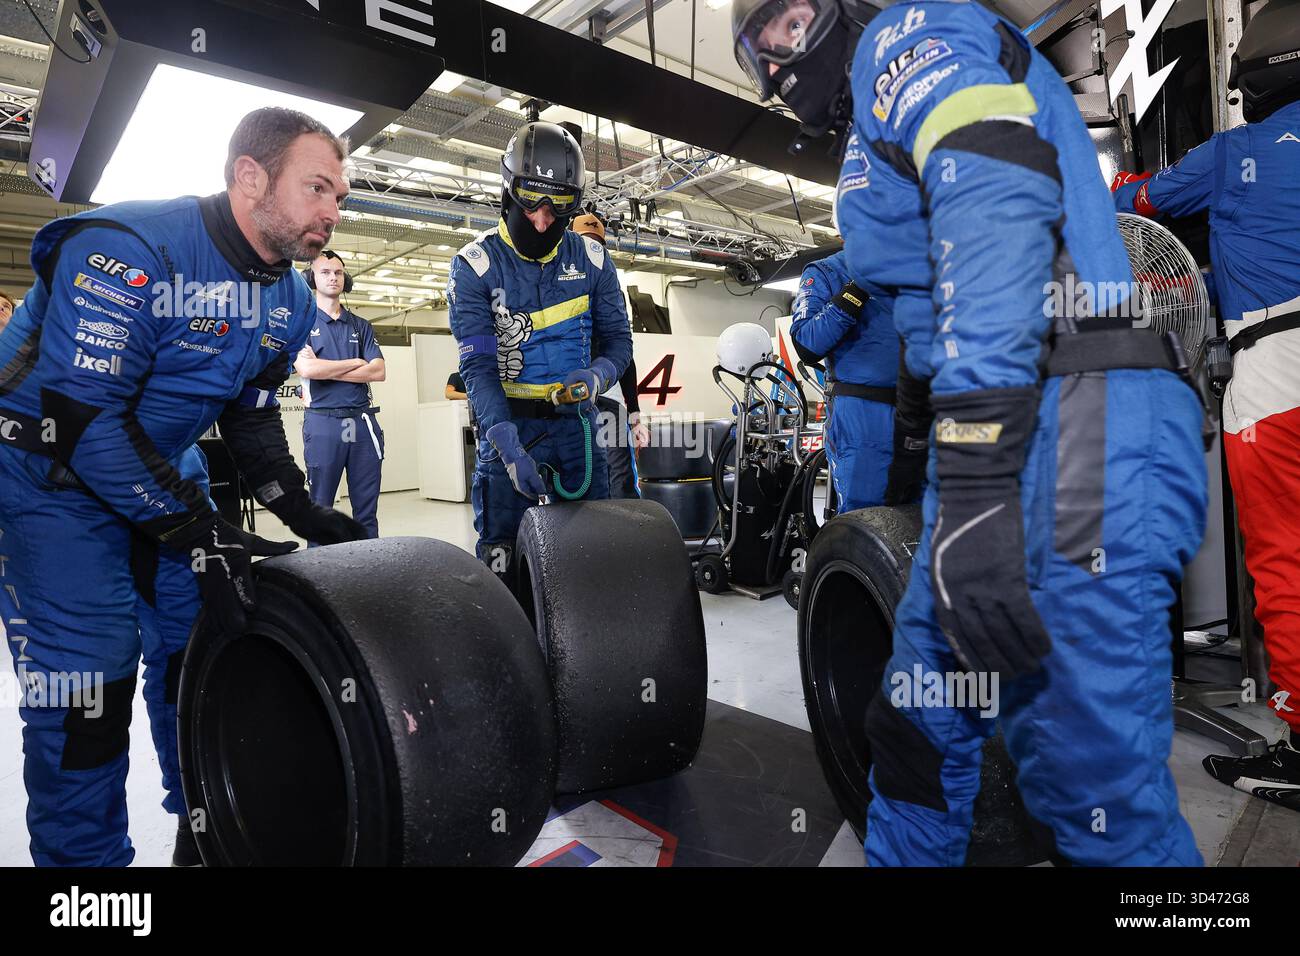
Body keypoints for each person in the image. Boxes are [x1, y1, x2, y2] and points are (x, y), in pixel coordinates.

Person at [734, 0, 1208, 865]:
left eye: (784, 26)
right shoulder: (869, 124)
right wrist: (928, 409)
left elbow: (990, 193)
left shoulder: (906, 35)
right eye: (752, 55)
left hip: (1076, 428)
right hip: (996, 438)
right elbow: (933, 274)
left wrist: (981, 481)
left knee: (1094, 794)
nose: (773, 63)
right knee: (917, 728)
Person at [0, 106, 367, 867]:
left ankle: (205, 835)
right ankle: (86, 886)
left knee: (196, 658)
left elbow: (252, 418)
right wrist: (202, 531)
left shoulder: (291, 301)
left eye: (340, 197)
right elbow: (83, 420)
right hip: (48, 484)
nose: (333, 212)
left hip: (161, 470)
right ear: (249, 177)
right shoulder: (126, 249)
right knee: (86, 693)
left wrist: (297, 506)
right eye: (318, 188)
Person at [1113, 0, 1300, 809]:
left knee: (1285, 560)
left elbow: (1145, 200)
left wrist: (1111, 182)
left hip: (1278, 373)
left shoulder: (1237, 153)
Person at [449, 121, 633, 576]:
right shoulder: (474, 266)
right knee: (502, 561)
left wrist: (597, 376)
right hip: (508, 429)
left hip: (578, 428)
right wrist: (505, 444)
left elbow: (618, 342)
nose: (542, 218)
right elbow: (478, 369)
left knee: (594, 557)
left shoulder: (592, 260)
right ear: (509, 189)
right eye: (531, 200)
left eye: (559, 205)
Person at [790, 250, 900, 510]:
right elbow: (808, 344)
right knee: (867, 520)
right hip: (863, 419)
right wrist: (857, 288)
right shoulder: (828, 271)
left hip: (922, 413)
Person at [295, 249, 386, 541]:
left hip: (361, 423)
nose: (333, 277)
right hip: (323, 423)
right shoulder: (302, 325)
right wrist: (355, 362)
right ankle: (319, 579)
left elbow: (378, 372)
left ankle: (368, 572)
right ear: (312, 277)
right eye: (325, 272)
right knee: (319, 509)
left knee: (366, 511)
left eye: (338, 272)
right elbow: (307, 368)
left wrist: (326, 368)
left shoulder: (361, 326)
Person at [572, 212, 646, 498]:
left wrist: (635, 409)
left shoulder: (612, 291)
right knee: (578, 474)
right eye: (585, 242)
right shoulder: (555, 288)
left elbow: (624, 351)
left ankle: (626, 535)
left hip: (608, 398)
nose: (592, 250)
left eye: (597, 244)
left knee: (621, 475)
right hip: (569, 399)